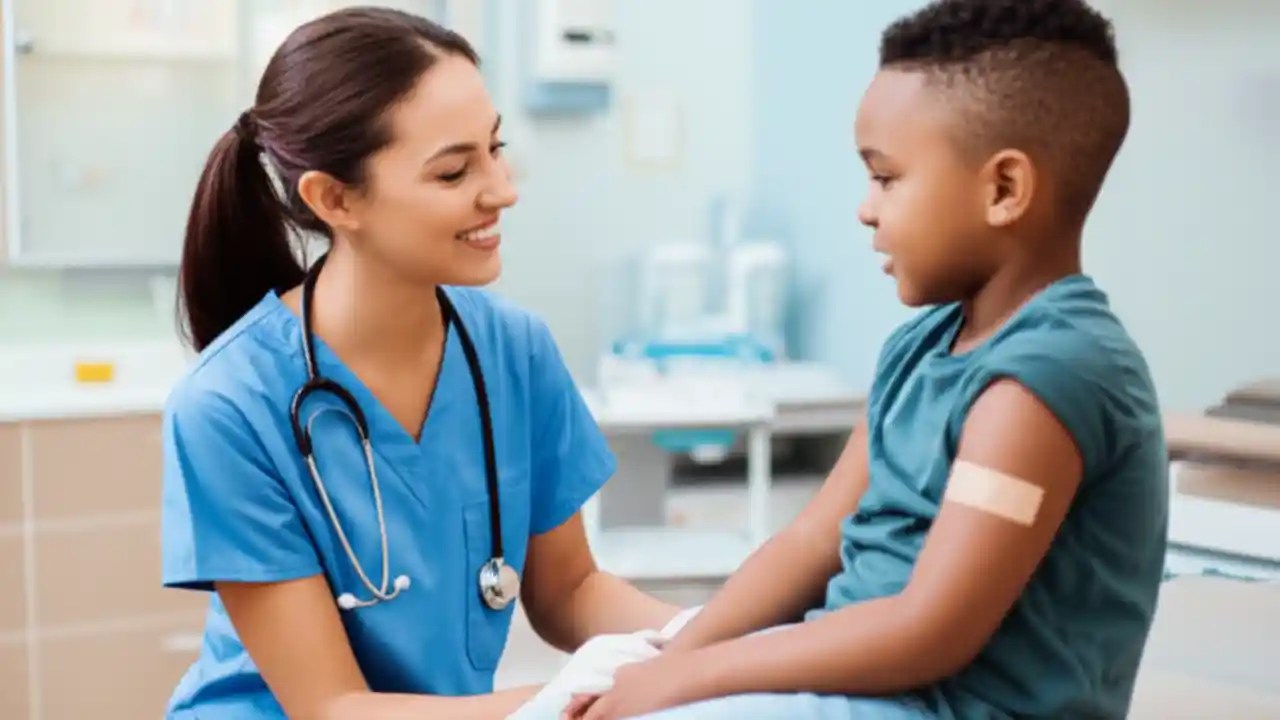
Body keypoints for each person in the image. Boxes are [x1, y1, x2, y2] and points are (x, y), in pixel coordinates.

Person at [564, 1, 1168, 718]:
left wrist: (687, 683)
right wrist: (671, 660)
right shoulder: (920, 346)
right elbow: (814, 539)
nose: (865, 209)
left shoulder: (1046, 376)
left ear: (1003, 190)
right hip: (864, 692)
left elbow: (927, 631)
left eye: (886, 178)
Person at [160, 8, 679, 719]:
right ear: (333, 198)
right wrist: (551, 701)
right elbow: (332, 706)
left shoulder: (514, 351)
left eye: (496, 150)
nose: (502, 189)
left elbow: (568, 593)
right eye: (455, 171)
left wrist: (698, 641)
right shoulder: (229, 405)